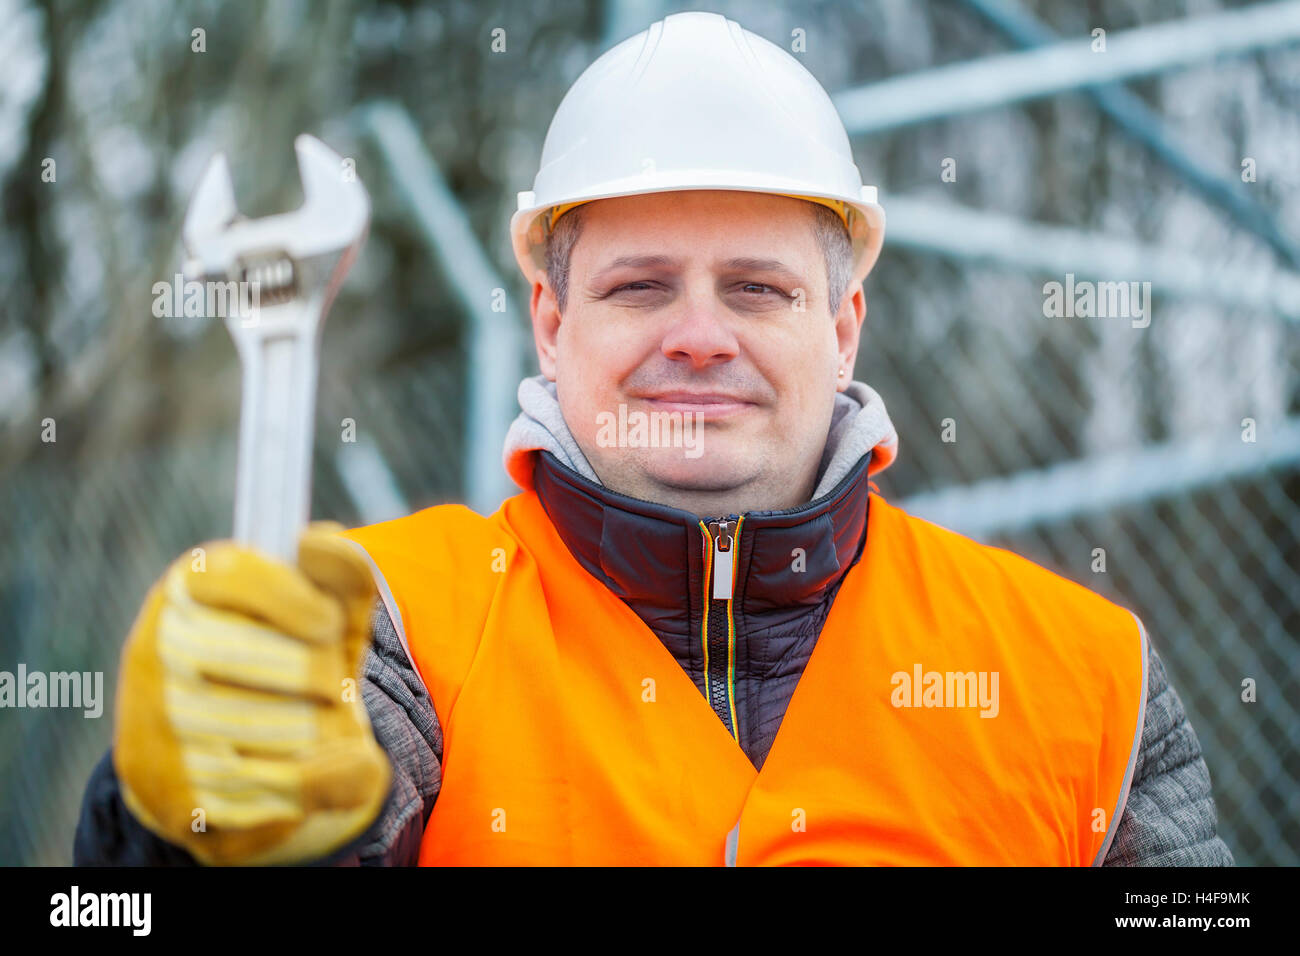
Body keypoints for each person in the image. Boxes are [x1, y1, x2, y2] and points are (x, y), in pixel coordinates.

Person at [75, 10, 1233, 866]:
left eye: (755, 289)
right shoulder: (384, 628)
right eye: (638, 286)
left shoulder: (1088, 680)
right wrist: (168, 823)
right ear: (549, 320)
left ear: (843, 328)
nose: (696, 337)